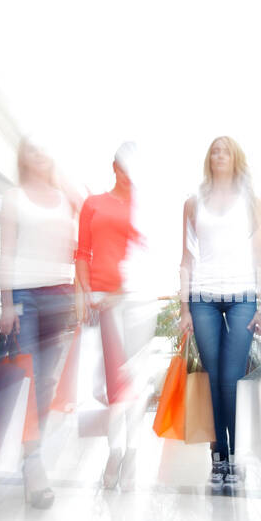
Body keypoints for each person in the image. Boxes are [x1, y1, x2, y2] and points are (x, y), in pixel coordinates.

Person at [178, 135, 261, 492]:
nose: (219, 155)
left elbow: (260, 255)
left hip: (243, 294)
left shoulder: (252, 202)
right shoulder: (192, 203)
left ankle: (230, 454)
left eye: (225, 150)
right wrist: (184, 306)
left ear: (235, 159)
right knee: (214, 376)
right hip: (202, 297)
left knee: (230, 378)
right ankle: (220, 457)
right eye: (214, 150)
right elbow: (186, 258)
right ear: (209, 159)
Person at [0, 138, 80, 509]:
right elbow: (7, 253)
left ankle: (32, 451)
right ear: (23, 157)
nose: (40, 152)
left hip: (59, 296)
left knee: (47, 382)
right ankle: (34, 465)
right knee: (31, 381)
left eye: (46, 146)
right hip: (25, 298)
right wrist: (5, 303)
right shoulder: (13, 197)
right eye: (32, 148)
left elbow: (85, 234)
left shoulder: (66, 198)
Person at [75, 141, 153, 491]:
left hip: (136, 300)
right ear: (114, 167)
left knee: (131, 380)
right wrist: (83, 294)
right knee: (112, 383)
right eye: (124, 165)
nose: (129, 173)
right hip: (104, 301)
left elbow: (149, 251)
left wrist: (127, 285)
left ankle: (130, 452)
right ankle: (115, 451)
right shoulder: (93, 204)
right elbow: (82, 252)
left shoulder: (143, 207)